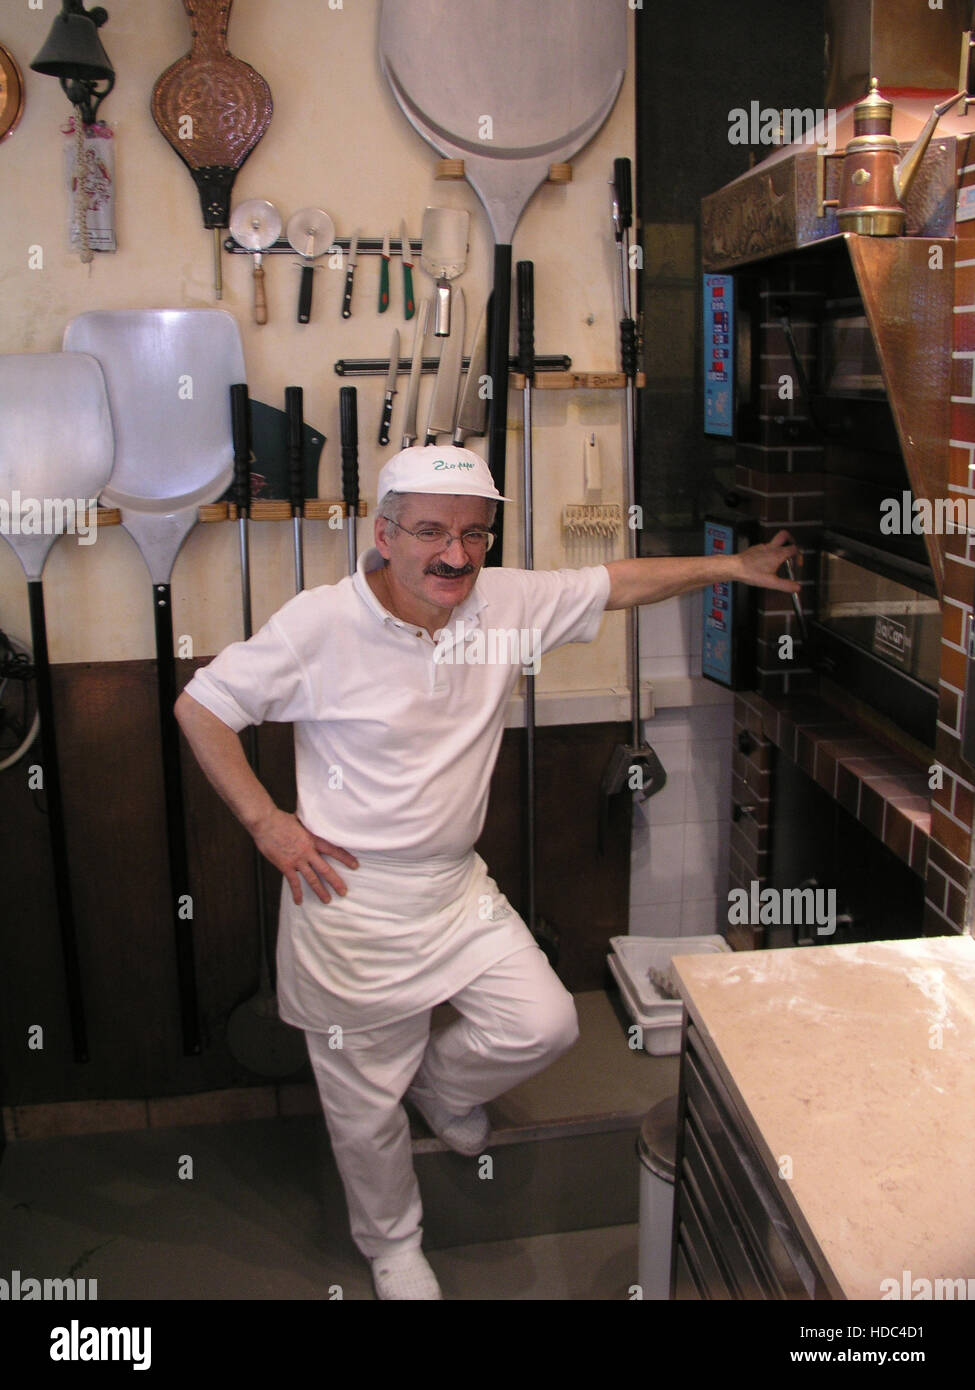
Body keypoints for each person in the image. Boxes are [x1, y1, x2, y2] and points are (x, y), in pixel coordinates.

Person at [174, 443, 799, 1300]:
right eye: (431, 531)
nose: (456, 555)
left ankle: (443, 1083)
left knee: (543, 1024)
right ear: (384, 534)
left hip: (455, 886)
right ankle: (393, 1247)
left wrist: (734, 565)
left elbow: (619, 582)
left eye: (475, 534)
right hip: (350, 897)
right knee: (362, 1105)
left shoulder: (501, 604)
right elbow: (202, 706)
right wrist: (269, 825)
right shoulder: (319, 625)